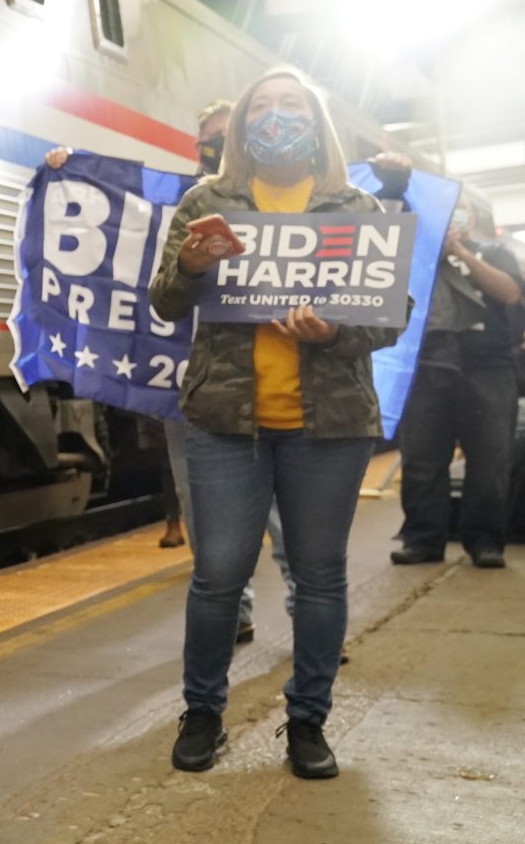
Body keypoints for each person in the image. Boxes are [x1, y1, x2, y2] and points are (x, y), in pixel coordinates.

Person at [151, 67, 398, 780]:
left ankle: (308, 722)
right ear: (241, 126)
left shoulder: (355, 207)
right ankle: (203, 712)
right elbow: (165, 301)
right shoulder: (208, 202)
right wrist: (190, 266)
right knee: (217, 575)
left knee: (319, 577)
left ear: (316, 122)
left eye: (291, 104)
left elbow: (390, 316)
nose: (276, 116)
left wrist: (334, 333)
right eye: (262, 105)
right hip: (225, 422)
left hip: (330, 425)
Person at [46, 104, 296, 639]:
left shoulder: (279, 201)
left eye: (226, 136)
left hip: (265, 384)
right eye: (208, 140)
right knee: (202, 507)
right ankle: (233, 613)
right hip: (192, 385)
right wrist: (71, 172)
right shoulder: (188, 204)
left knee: (283, 508)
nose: (217, 146)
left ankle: (310, 611)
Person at [372, 154, 523, 568]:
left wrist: (458, 250)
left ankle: (485, 541)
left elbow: (510, 293)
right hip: (427, 367)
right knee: (422, 458)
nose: (454, 213)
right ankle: (422, 539)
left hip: (488, 368)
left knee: (490, 459)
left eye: (461, 207)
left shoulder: (494, 251)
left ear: (470, 216)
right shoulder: (414, 255)